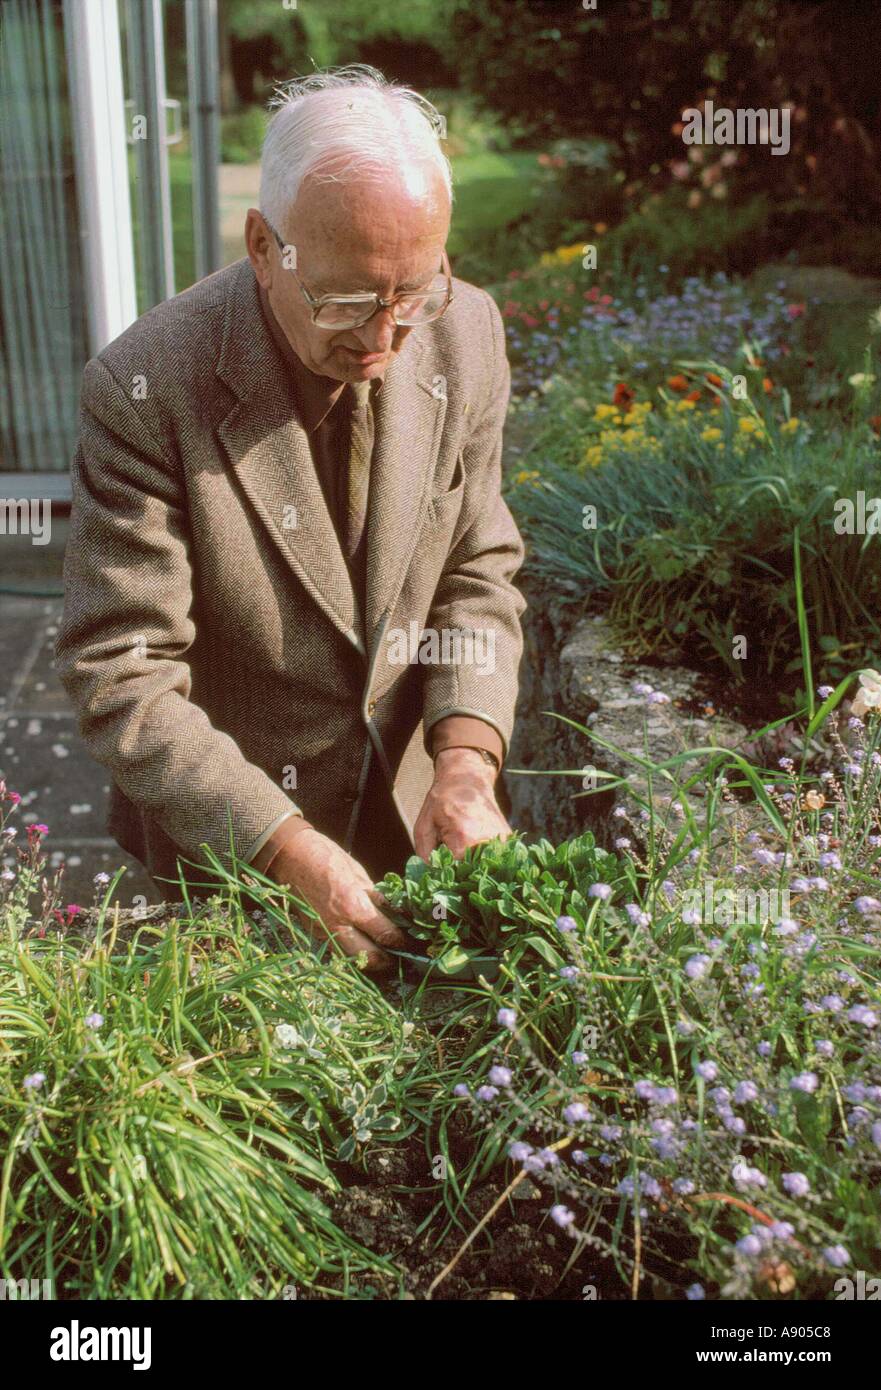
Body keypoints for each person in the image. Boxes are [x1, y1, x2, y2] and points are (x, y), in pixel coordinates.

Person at [55, 65, 526, 971]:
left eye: (413, 291)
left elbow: (477, 566)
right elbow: (121, 667)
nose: (383, 339)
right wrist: (280, 845)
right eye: (345, 299)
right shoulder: (145, 386)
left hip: (414, 809)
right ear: (265, 246)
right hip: (229, 857)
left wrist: (466, 762)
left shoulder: (466, 329)